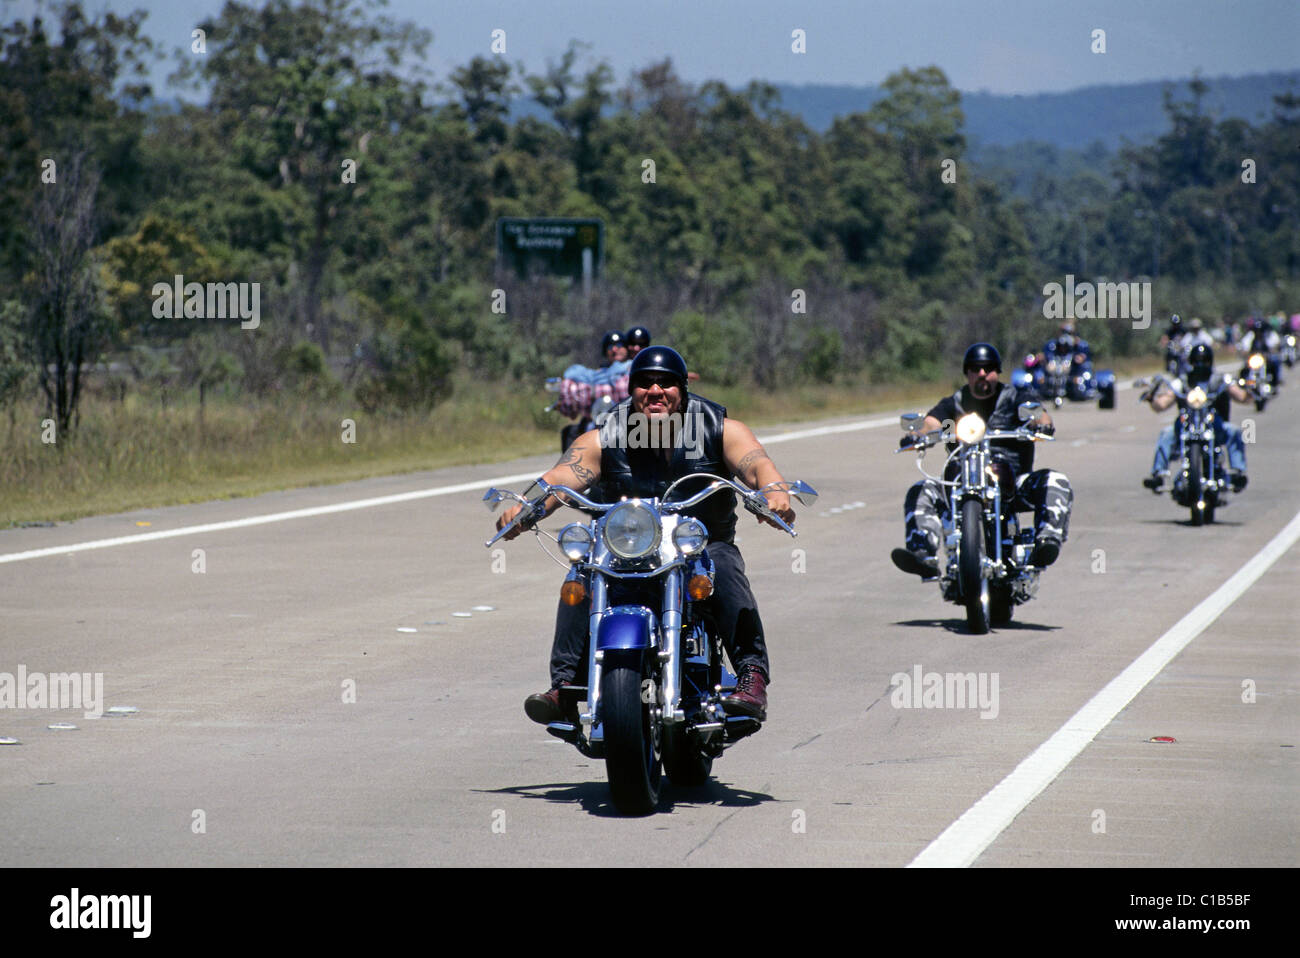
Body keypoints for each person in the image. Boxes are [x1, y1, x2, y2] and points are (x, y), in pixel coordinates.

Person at [496, 345, 796, 726]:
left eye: (666, 382)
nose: (655, 390)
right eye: (644, 382)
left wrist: (773, 492)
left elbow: (757, 464)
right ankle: (566, 687)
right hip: (629, 548)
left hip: (699, 545)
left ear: (683, 389)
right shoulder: (607, 434)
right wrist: (527, 506)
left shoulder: (717, 427)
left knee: (723, 566)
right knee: (582, 573)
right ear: (631, 389)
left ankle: (751, 678)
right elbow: (561, 477)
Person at [891, 342, 1073, 578]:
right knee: (921, 489)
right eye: (975, 369)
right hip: (960, 482)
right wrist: (917, 434)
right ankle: (922, 554)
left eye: (988, 368)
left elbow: (1038, 412)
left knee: (1056, 480)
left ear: (997, 371)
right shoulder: (954, 403)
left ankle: (1046, 541)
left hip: (1012, 484)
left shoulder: (1016, 397)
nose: (982, 374)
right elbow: (932, 422)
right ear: (967, 373)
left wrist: (1043, 424)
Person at [1142, 343, 1250, 492]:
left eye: (1204, 360)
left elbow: (1241, 396)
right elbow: (1162, 404)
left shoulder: (1220, 379)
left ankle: (1238, 472)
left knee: (1234, 431)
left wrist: (1250, 391)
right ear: (1191, 362)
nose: (1200, 364)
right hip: (1187, 422)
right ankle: (1158, 475)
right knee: (1166, 434)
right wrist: (1151, 399)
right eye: (1197, 360)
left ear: (1210, 361)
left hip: (1214, 422)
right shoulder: (1183, 380)